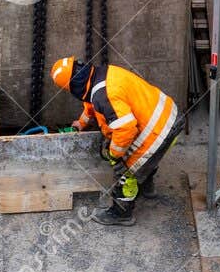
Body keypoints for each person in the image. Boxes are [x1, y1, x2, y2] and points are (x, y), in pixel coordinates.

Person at [50, 56, 182, 226]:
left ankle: (122, 213)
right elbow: (91, 104)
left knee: (125, 168)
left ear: (73, 87)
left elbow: (125, 129)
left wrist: (115, 155)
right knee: (141, 156)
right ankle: (146, 186)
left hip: (159, 130)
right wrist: (80, 123)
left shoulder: (103, 95)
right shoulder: (101, 75)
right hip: (170, 116)